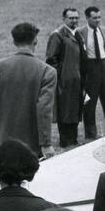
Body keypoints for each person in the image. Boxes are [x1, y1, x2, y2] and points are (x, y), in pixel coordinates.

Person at [0, 22, 56, 158]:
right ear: (35, 40)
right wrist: (46, 143)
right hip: (32, 145)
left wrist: (5, 105)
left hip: (1, 141)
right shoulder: (47, 71)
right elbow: (44, 110)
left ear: (14, 41)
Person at [77, 5, 105, 141]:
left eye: (99, 17)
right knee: (89, 104)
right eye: (94, 18)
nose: (98, 20)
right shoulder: (80, 32)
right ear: (87, 18)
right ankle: (90, 135)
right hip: (90, 69)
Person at [45, 8, 84, 149]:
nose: (74, 20)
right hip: (64, 80)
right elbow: (51, 58)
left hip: (77, 79)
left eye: (76, 18)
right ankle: (65, 140)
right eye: (71, 18)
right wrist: (60, 75)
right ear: (64, 19)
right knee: (65, 110)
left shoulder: (77, 34)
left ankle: (73, 139)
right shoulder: (58, 35)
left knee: (74, 109)